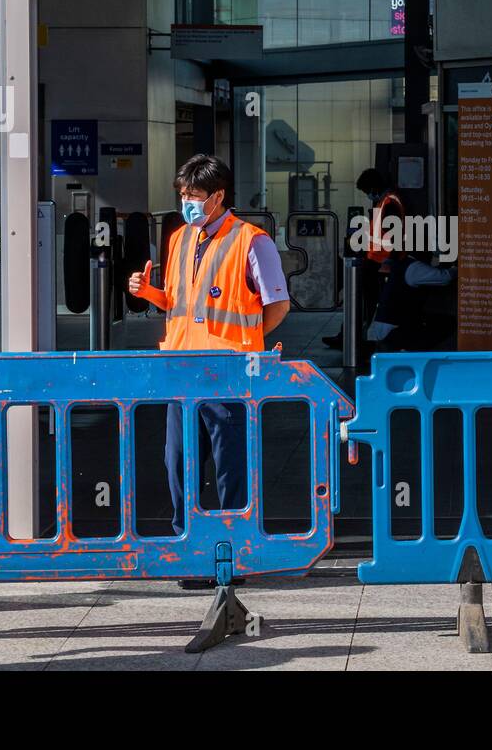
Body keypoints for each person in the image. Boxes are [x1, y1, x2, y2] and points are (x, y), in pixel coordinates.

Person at [127, 155, 290, 551]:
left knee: (230, 466)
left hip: (228, 372)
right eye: (182, 194)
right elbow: (185, 302)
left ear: (218, 196)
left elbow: (278, 304)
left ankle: (231, 548)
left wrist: (245, 340)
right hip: (182, 369)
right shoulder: (181, 238)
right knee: (179, 463)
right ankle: (189, 544)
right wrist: (151, 294)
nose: (187, 202)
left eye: (194, 195)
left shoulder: (253, 241)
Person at [323, 167, 406, 350]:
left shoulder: (389, 203)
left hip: (381, 264)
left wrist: (390, 262)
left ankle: (352, 338)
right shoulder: (384, 202)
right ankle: (348, 336)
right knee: (360, 300)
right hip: (376, 261)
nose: (368, 195)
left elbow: (396, 235)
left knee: (364, 301)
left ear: (373, 187)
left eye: (367, 191)